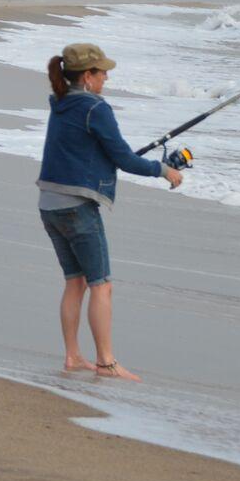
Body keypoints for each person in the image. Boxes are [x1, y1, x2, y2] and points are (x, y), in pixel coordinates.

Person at [37, 42, 182, 382]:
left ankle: (73, 356)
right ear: (87, 76)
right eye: (102, 73)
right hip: (76, 207)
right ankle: (106, 361)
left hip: (48, 204)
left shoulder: (60, 103)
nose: (106, 79)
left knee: (76, 282)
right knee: (101, 286)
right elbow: (124, 159)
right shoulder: (95, 108)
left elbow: (86, 150)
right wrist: (163, 170)